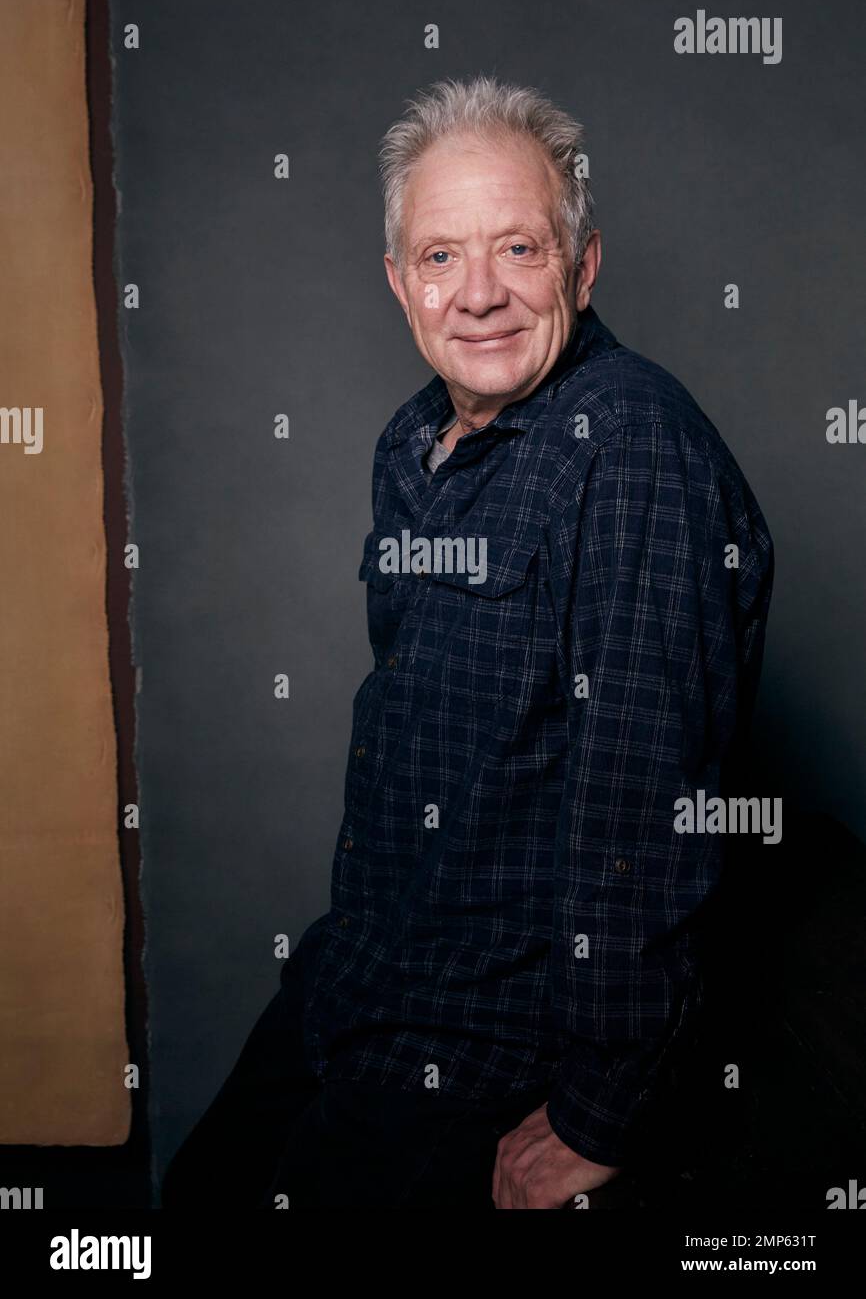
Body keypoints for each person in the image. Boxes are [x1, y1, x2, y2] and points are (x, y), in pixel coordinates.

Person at [162, 76, 774, 1210]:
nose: (478, 294)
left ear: (582, 267)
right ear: (399, 283)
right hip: (365, 972)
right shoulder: (416, 440)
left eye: (518, 249)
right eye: (440, 257)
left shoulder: (630, 447)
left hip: (498, 1034)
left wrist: (603, 1111)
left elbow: (640, 801)